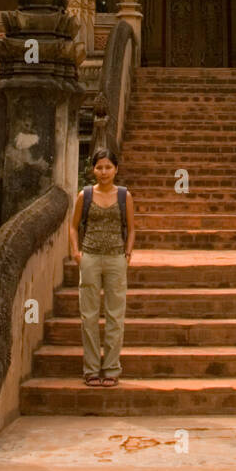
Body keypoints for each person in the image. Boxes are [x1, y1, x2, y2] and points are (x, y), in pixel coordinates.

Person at [69, 148, 135, 387]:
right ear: (93, 170)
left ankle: (111, 369)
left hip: (116, 258)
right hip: (91, 258)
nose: (104, 172)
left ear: (116, 169)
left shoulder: (124, 196)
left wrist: (127, 253)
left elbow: (131, 227)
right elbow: (74, 226)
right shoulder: (84, 195)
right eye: (99, 167)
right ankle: (91, 369)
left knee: (115, 315)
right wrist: (76, 252)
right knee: (89, 316)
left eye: (108, 167)